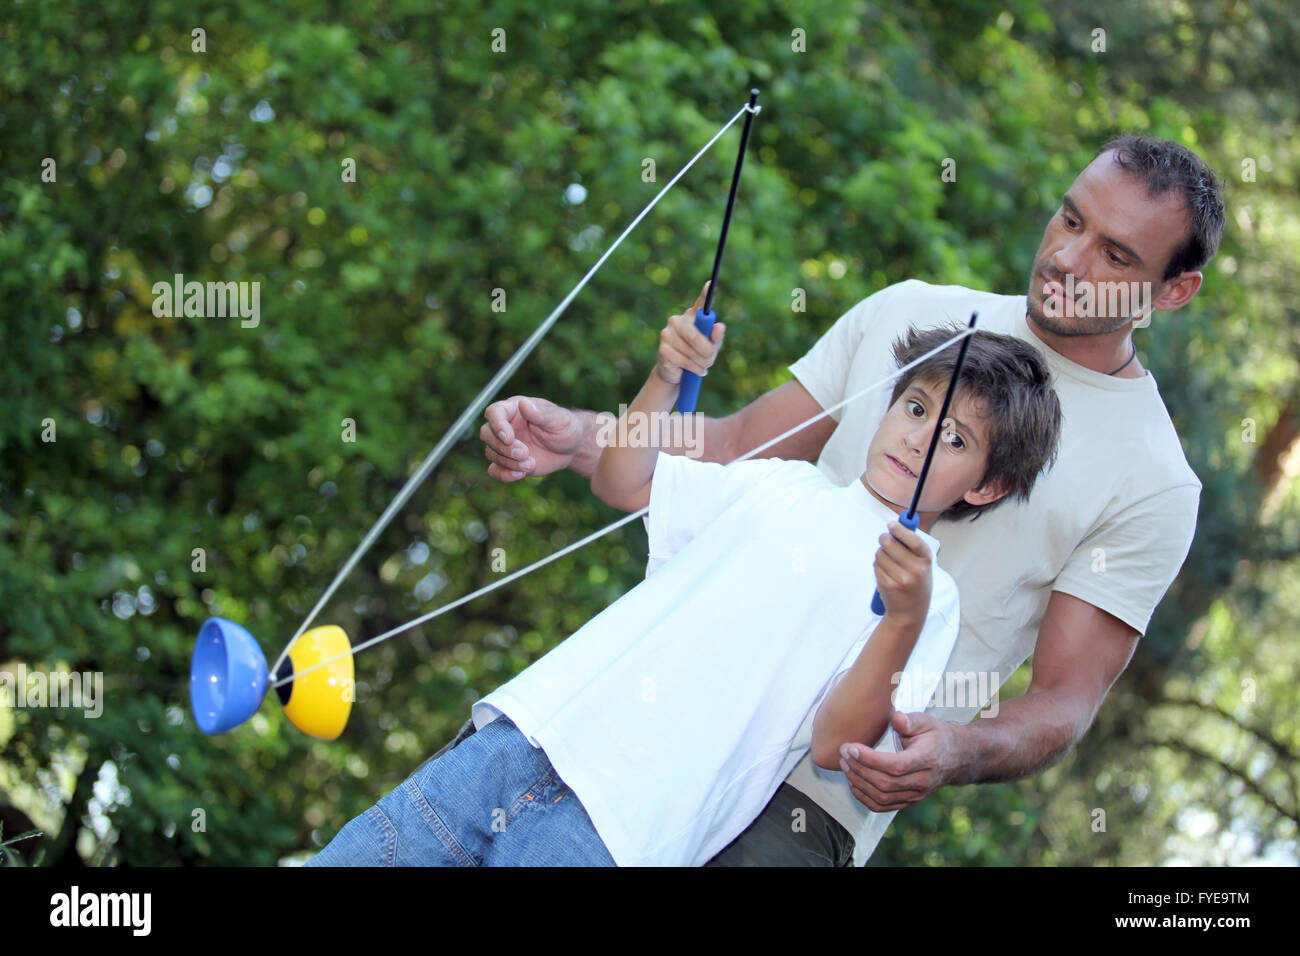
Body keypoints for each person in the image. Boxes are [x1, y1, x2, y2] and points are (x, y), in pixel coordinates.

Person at [476, 133, 1225, 866]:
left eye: (1115, 255)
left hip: (809, 797)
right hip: (673, 691)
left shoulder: (1154, 481)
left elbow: (1065, 698)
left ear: (1175, 290)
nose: (1067, 257)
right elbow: (738, 447)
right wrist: (580, 438)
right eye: (1070, 219)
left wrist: (960, 750)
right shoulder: (911, 313)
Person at [305, 323, 1061, 866]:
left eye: (957, 439)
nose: (921, 439)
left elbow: (837, 746)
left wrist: (901, 619)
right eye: (919, 408)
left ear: (987, 486)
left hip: (622, 837)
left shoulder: (932, 597)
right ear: (889, 404)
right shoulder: (779, 483)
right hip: (526, 737)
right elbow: (623, 478)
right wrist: (665, 378)